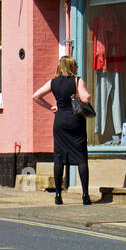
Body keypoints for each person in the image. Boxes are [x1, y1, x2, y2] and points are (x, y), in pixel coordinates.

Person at [33, 57, 94, 205]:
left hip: (60, 121)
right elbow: (86, 98)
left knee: (59, 158)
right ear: (71, 67)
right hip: (75, 121)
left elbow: (36, 96)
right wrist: (85, 94)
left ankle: (58, 196)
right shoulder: (77, 81)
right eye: (75, 65)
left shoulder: (53, 82)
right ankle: (85, 195)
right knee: (81, 158)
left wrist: (50, 107)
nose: (77, 67)